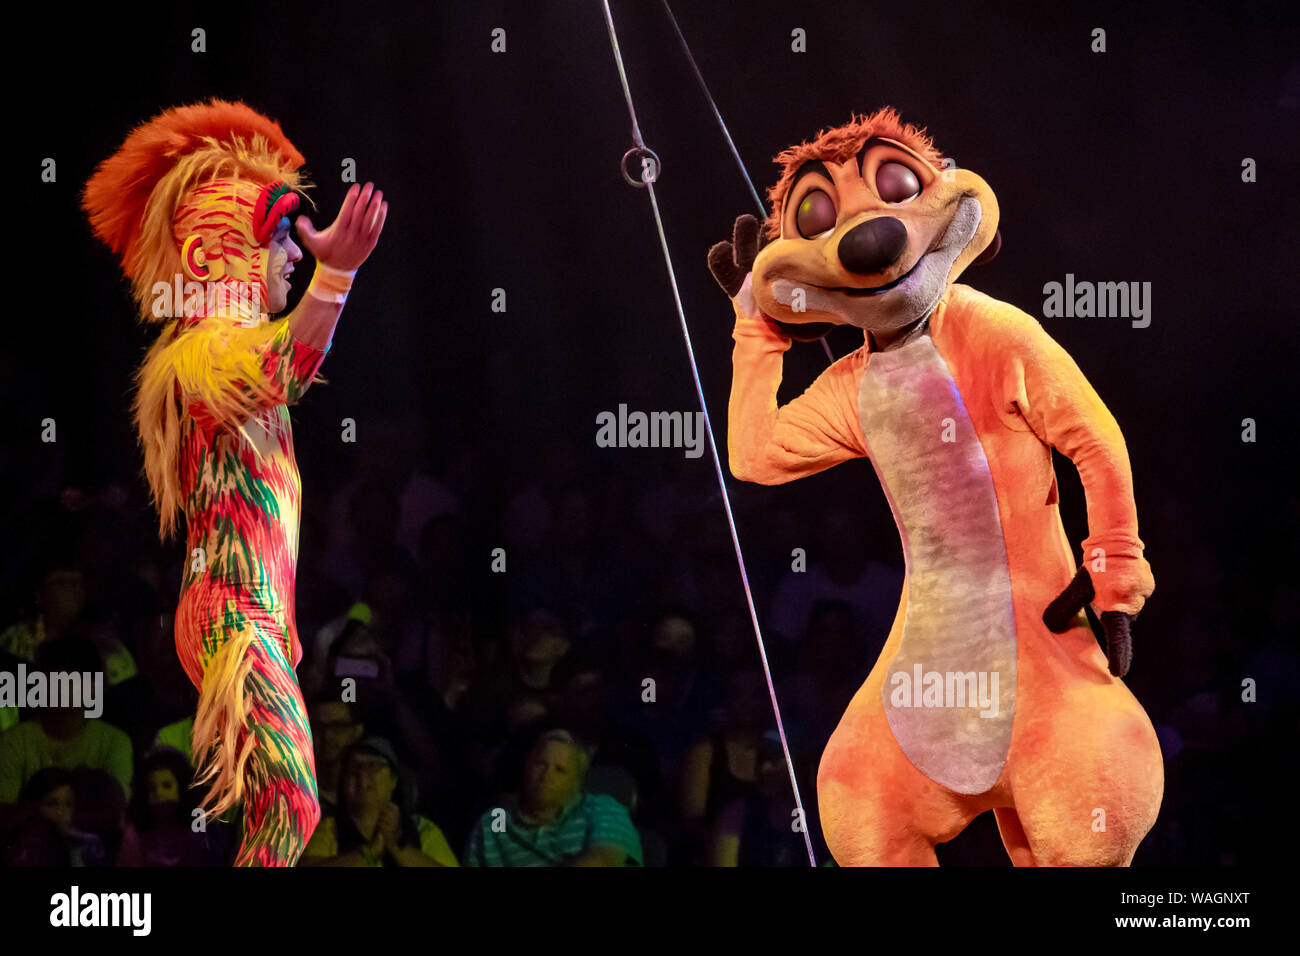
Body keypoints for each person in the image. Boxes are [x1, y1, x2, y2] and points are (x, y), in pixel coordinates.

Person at [83, 100, 388, 866]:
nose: (295, 254)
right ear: (225, 252)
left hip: (257, 620)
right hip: (230, 613)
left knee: (287, 810)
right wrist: (338, 272)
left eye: (295, 237)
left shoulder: (225, 338)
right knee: (292, 804)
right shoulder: (202, 351)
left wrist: (330, 275)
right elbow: (285, 370)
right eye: (281, 237)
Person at [464, 729, 642, 867]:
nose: (546, 776)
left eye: (560, 770)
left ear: (576, 782)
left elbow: (605, 860)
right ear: (526, 767)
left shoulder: (604, 809)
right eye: (540, 764)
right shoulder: (494, 822)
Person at [300, 737, 457, 867]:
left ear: (393, 781)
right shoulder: (328, 830)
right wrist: (369, 852)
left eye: (373, 766)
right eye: (354, 768)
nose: (362, 775)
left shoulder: (420, 829)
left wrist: (396, 847)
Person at [117, 747, 230, 866]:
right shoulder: (135, 835)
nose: (159, 794)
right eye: (151, 789)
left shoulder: (197, 829)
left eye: (167, 786)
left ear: (182, 787)